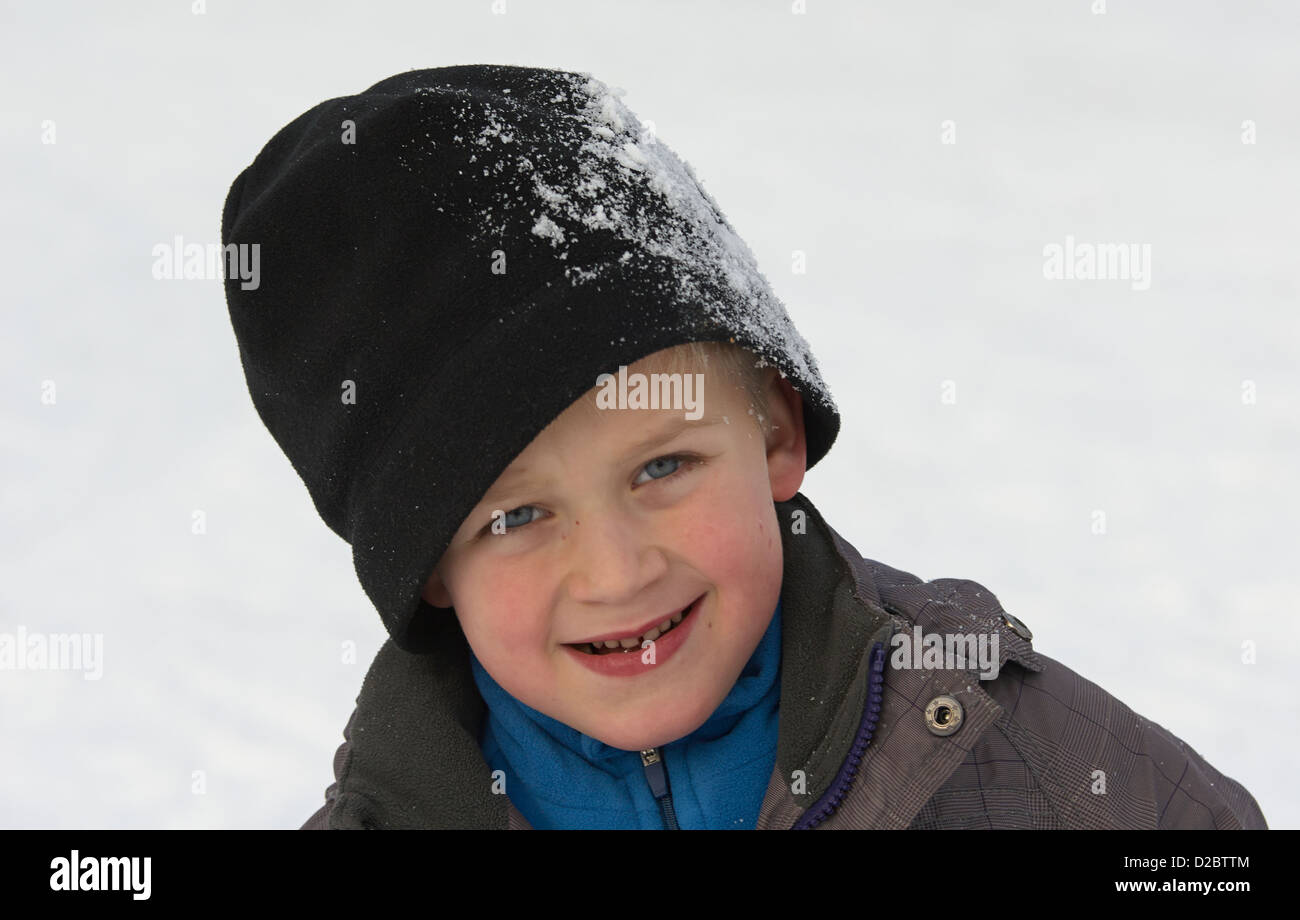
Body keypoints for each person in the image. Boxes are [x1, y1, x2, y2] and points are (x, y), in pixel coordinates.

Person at [220, 64, 1266, 829]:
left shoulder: (1020, 765)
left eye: (661, 467)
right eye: (517, 516)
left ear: (773, 427)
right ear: (429, 573)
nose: (619, 569)